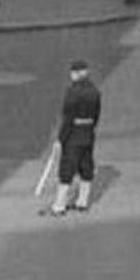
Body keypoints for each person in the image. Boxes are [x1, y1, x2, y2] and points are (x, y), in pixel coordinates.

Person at [50, 60, 102, 216]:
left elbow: (68, 118)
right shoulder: (94, 91)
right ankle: (82, 201)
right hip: (88, 133)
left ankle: (59, 205)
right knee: (86, 167)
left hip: (73, 136)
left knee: (67, 169)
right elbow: (96, 115)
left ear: (76, 73)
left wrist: (60, 139)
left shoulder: (72, 92)